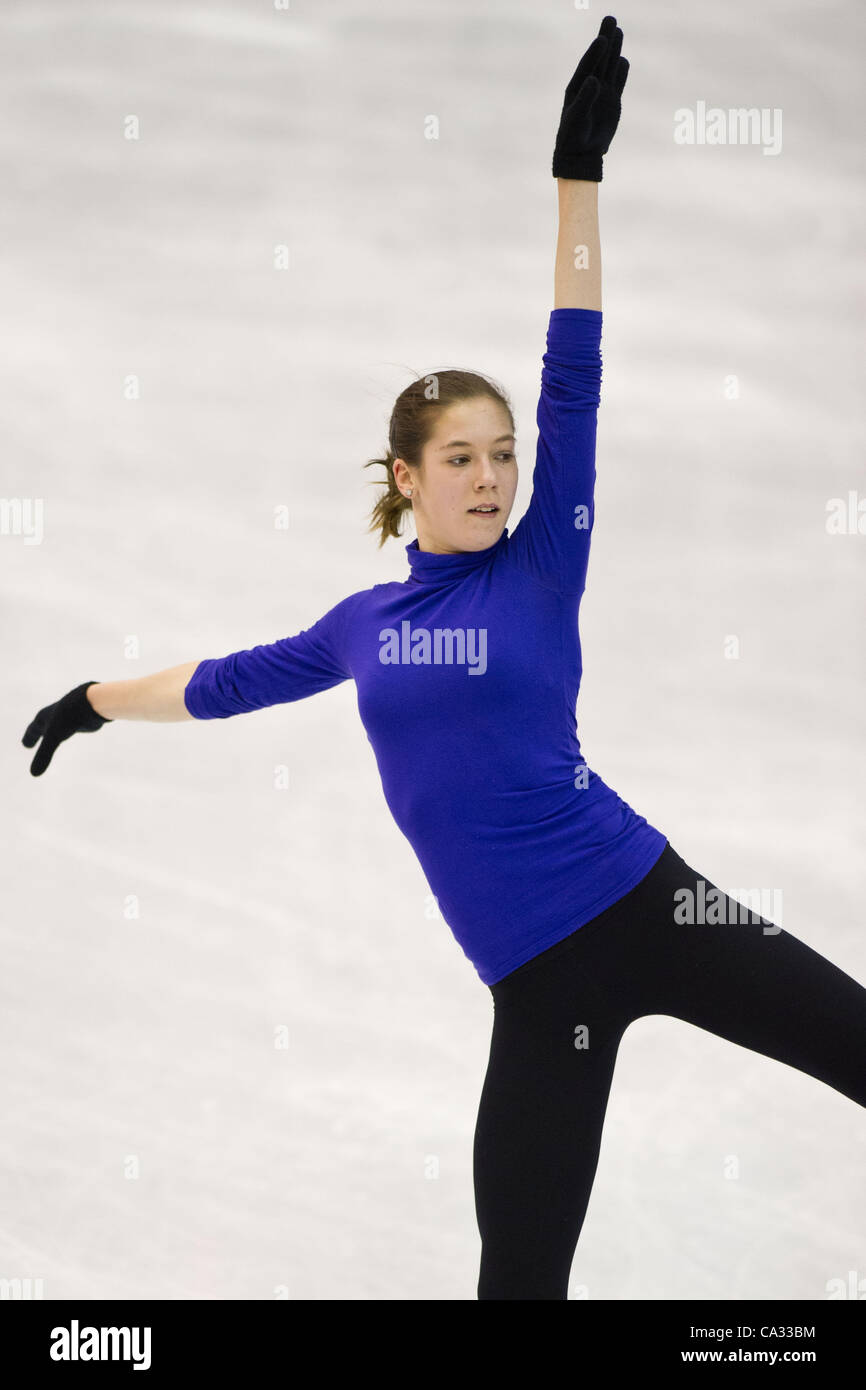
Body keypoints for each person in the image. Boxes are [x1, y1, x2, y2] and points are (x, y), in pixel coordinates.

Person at [22, 16, 866, 1301]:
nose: (489, 475)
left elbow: (573, 371)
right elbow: (220, 683)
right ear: (407, 478)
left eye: (502, 454)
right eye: (459, 458)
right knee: (517, 1278)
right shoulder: (360, 629)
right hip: (536, 983)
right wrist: (94, 699)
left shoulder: (542, 563)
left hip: (652, 901)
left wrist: (574, 181)